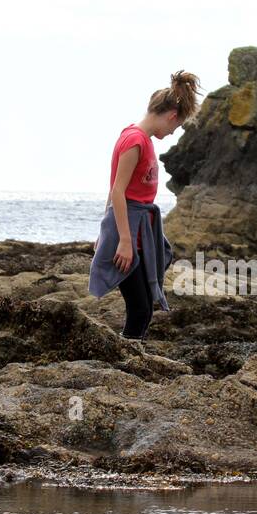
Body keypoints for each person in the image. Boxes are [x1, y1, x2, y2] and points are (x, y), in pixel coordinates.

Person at [88, 71, 201, 339]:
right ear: (172, 116)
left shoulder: (145, 141)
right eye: (177, 126)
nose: (173, 132)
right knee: (139, 308)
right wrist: (120, 240)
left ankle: (131, 358)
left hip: (140, 232)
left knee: (144, 307)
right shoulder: (133, 140)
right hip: (129, 235)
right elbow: (117, 191)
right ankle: (124, 361)